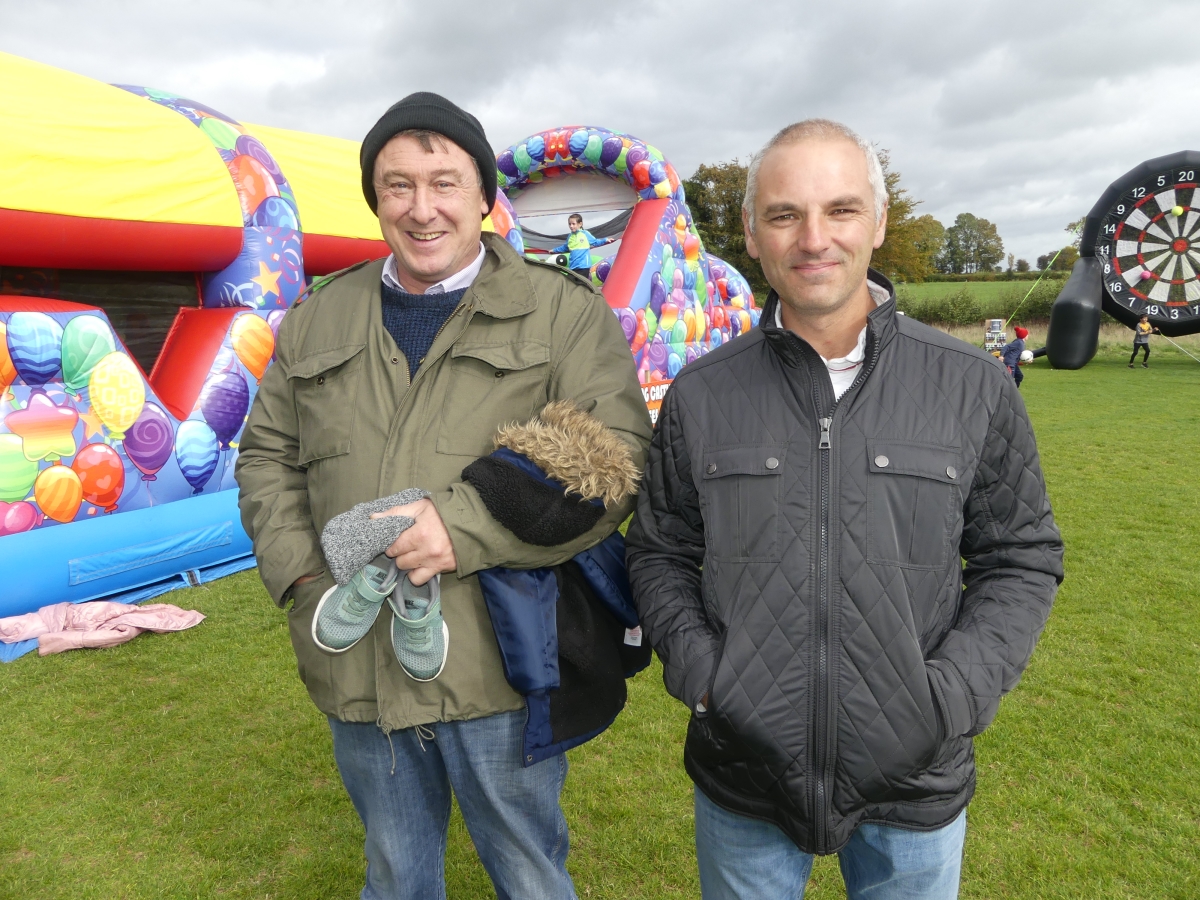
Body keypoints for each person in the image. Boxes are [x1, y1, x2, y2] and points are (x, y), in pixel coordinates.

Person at [626, 119, 1064, 900]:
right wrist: (705, 678)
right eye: (785, 214)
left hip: (915, 776)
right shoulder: (701, 394)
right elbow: (658, 550)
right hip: (744, 770)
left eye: (841, 209)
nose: (813, 238)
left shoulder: (971, 386)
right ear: (753, 234)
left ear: (880, 221)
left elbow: (1020, 557)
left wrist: (953, 696)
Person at [235, 92, 652, 900]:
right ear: (375, 200)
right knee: (394, 876)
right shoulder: (316, 320)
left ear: (485, 196)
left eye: (444, 182)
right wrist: (302, 580)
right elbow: (267, 457)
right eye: (397, 186)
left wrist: (457, 529)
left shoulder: (563, 313)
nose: (421, 209)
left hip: (498, 665)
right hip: (357, 661)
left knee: (529, 873)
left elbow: (617, 459)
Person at [550, 213, 614, 280]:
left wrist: (605, 240)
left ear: (580, 224)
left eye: (573, 224)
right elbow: (565, 247)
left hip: (583, 267)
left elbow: (595, 242)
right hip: (573, 267)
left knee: (580, 285)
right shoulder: (570, 236)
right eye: (569, 224)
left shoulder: (585, 234)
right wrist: (554, 250)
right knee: (571, 285)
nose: (571, 226)